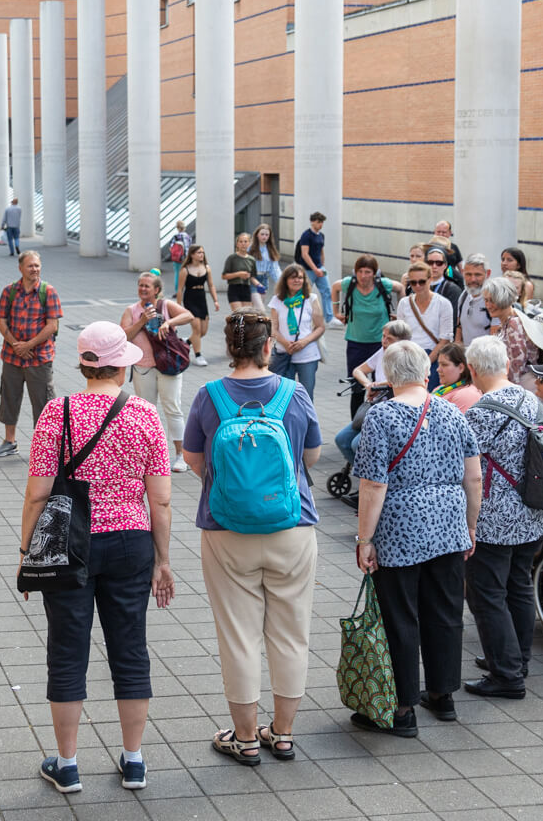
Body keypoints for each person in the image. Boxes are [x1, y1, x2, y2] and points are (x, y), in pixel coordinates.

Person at [20, 322, 175, 792]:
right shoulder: (144, 415)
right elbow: (161, 499)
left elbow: (37, 494)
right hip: (131, 540)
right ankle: (134, 760)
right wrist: (162, 560)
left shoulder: (57, 412)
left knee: (67, 652)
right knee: (130, 648)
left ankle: (67, 765)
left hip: (70, 543)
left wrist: (28, 554)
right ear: (122, 366)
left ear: (85, 364)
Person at [182, 311, 324, 767]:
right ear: (268, 347)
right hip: (291, 527)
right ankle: (282, 734)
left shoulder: (209, 395)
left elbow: (193, 459)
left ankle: (244, 738)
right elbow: (311, 456)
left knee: (238, 637)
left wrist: (231, 489)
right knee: (291, 634)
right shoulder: (294, 393)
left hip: (226, 531)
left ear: (229, 348)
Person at [351, 342, 483, 735]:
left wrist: (364, 538)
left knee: (400, 615)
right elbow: (474, 476)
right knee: (445, 611)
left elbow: (373, 484)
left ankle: (402, 708)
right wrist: (470, 525)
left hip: (400, 527)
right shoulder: (451, 410)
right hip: (448, 523)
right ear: (426, 373)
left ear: (389, 377)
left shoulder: (382, 415)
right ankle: (443, 695)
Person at [459, 338, 543, 700]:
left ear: (472, 370)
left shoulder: (480, 413)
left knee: (487, 594)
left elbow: (469, 473)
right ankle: (517, 660)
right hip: (535, 511)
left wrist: (469, 521)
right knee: (519, 585)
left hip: (496, 519)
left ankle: (506, 675)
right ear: (505, 364)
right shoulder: (532, 400)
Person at [123, 270, 195, 471]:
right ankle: (148, 455)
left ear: (156, 290)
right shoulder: (131, 310)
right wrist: (141, 321)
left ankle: (181, 456)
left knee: (172, 407)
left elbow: (188, 316)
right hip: (143, 367)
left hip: (168, 365)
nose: (142, 289)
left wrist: (169, 322)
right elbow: (124, 336)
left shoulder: (165, 305)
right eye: (140, 285)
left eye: (147, 286)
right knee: (146, 412)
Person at [0, 252, 63, 458]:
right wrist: (16, 345)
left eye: (37, 266)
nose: (35, 269)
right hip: (12, 356)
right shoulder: (9, 291)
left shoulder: (48, 292)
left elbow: (52, 325)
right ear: (20, 268)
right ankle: (9, 441)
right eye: (30, 266)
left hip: (39, 357)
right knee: (9, 397)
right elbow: (1, 322)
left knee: (43, 402)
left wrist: (28, 345)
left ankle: (45, 447)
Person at [336, 320, 413, 462]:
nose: (384, 341)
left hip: (394, 412)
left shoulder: (407, 358)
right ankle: (361, 470)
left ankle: (373, 471)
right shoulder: (382, 352)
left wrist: (379, 385)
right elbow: (358, 370)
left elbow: (403, 381)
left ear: (403, 342)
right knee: (341, 439)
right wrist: (368, 384)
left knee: (357, 444)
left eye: (389, 339)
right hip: (375, 407)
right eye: (383, 336)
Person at [337, 255, 399, 419]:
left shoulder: (383, 285)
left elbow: (400, 287)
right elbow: (335, 287)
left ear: (374, 273)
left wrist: (399, 313)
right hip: (356, 343)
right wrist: (335, 311)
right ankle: (356, 423)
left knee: (383, 386)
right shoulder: (349, 284)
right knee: (357, 388)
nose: (363, 276)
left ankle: (381, 419)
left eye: (367, 272)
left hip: (381, 344)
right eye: (360, 271)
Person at [268, 265, 328, 395]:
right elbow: (273, 328)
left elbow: (320, 327)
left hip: (307, 355)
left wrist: (304, 342)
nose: (297, 280)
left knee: (306, 395)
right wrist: (285, 343)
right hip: (284, 354)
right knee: (284, 395)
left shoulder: (311, 299)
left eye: (300, 278)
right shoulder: (277, 301)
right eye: (293, 277)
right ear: (285, 280)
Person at [480, 277, 534, 381]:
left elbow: (517, 367)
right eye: (486, 300)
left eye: (493, 301)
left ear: (504, 299)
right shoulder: (506, 322)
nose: (488, 305)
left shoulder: (514, 324)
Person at [395, 261, 454, 353]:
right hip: (409, 353)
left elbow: (445, 340)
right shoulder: (404, 303)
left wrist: (427, 360)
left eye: (422, 282)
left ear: (430, 279)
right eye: (413, 282)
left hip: (433, 353)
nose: (417, 286)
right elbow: (400, 335)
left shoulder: (443, 304)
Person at [176, 244, 215, 366]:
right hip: (190, 299)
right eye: (199, 252)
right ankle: (198, 355)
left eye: (202, 252)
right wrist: (178, 306)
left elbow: (211, 285)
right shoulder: (185, 270)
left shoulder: (207, 268)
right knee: (197, 329)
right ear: (192, 255)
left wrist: (216, 300)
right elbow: (180, 289)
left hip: (201, 299)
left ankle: (187, 342)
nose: (201, 255)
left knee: (203, 331)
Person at [295, 212, 335, 320]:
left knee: (326, 291)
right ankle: (299, 314)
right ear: (312, 222)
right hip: (308, 270)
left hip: (319, 268)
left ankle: (329, 317)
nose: (320, 224)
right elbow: (305, 254)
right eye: (318, 222)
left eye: (322, 222)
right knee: (304, 292)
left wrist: (322, 266)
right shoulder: (306, 235)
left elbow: (321, 251)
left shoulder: (321, 236)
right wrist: (315, 269)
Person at [431, 340, 482, 412]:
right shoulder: (439, 389)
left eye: (444, 365)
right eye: (439, 364)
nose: (438, 369)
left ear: (461, 368)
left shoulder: (467, 394)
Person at [454, 254, 493, 345]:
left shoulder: (494, 299)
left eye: (477, 275)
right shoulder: (463, 296)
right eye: (468, 274)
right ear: (463, 272)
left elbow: (495, 337)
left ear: (488, 274)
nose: (473, 279)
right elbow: (459, 328)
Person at [220, 231, 260, 314]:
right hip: (234, 288)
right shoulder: (232, 258)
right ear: (237, 244)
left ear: (249, 243)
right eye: (241, 242)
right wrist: (238, 274)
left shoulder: (251, 260)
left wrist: (259, 285)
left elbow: (252, 276)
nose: (243, 244)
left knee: (246, 315)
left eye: (245, 241)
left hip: (246, 288)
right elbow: (224, 276)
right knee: (238, 314)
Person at [251, 223, 282, 308]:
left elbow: (275, 269)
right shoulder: (250, 248)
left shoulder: (270, 250)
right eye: (262, 234)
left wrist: (282, 282)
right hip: (252, 279)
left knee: (257, 309)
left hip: (264, 279)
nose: (264, 237)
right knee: (260, 308)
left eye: (266, 235)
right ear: (257, 235)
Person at [167, 221, 193, 290]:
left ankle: (178, 291)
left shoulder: (175, 237)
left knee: (177, 274)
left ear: (177, 228)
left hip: (177, 259)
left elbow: (171, 247)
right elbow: (190, 247)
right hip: (187, 258)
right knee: (187, 274)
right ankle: (186, 290)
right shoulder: (188, 237)